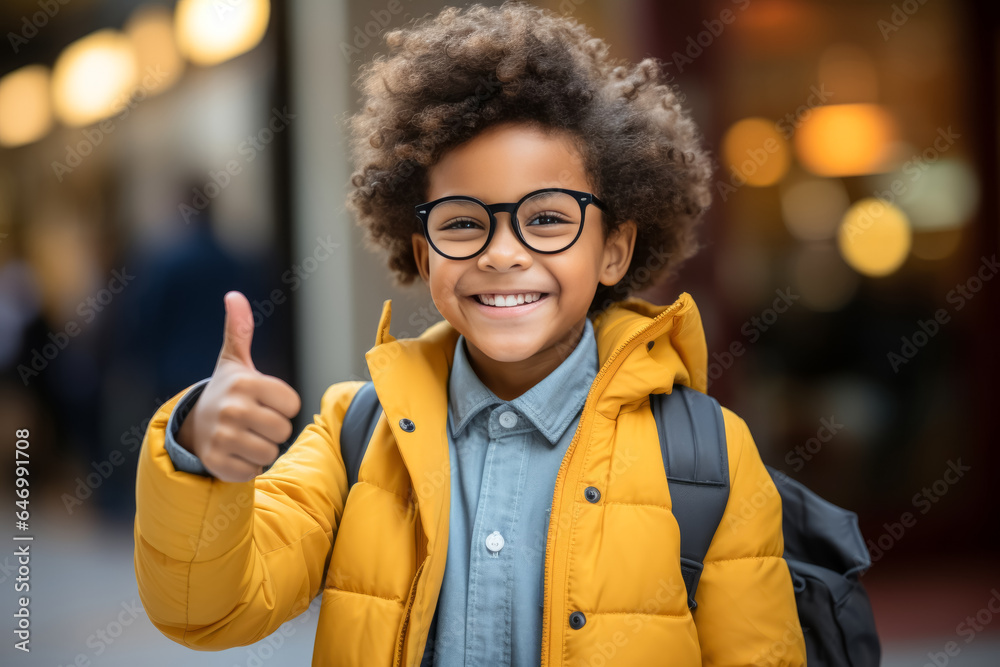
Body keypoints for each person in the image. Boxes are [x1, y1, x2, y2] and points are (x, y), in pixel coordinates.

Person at [133, 3, 806, 665]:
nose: (502, 253)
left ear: (614, 250)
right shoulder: (355, 434)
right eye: (461, 223)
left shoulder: (708, 455)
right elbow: (209, 609)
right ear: (423, 256)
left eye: (547, 219)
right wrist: (199, 456)